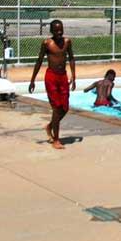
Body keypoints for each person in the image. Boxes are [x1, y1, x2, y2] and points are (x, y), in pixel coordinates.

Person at [28, 19, 75, 150]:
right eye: (56, 31)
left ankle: (50, 126)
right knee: (56, 108)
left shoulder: (67, 42)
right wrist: (32, 80)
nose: (59, 33)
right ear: (52, 31)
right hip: (51, 77)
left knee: (64, 108)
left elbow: (71, 58)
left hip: (63, 76)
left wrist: (74, 76)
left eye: (61, 30)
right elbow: (38, 61)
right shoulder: (47, 43)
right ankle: (56, 139)